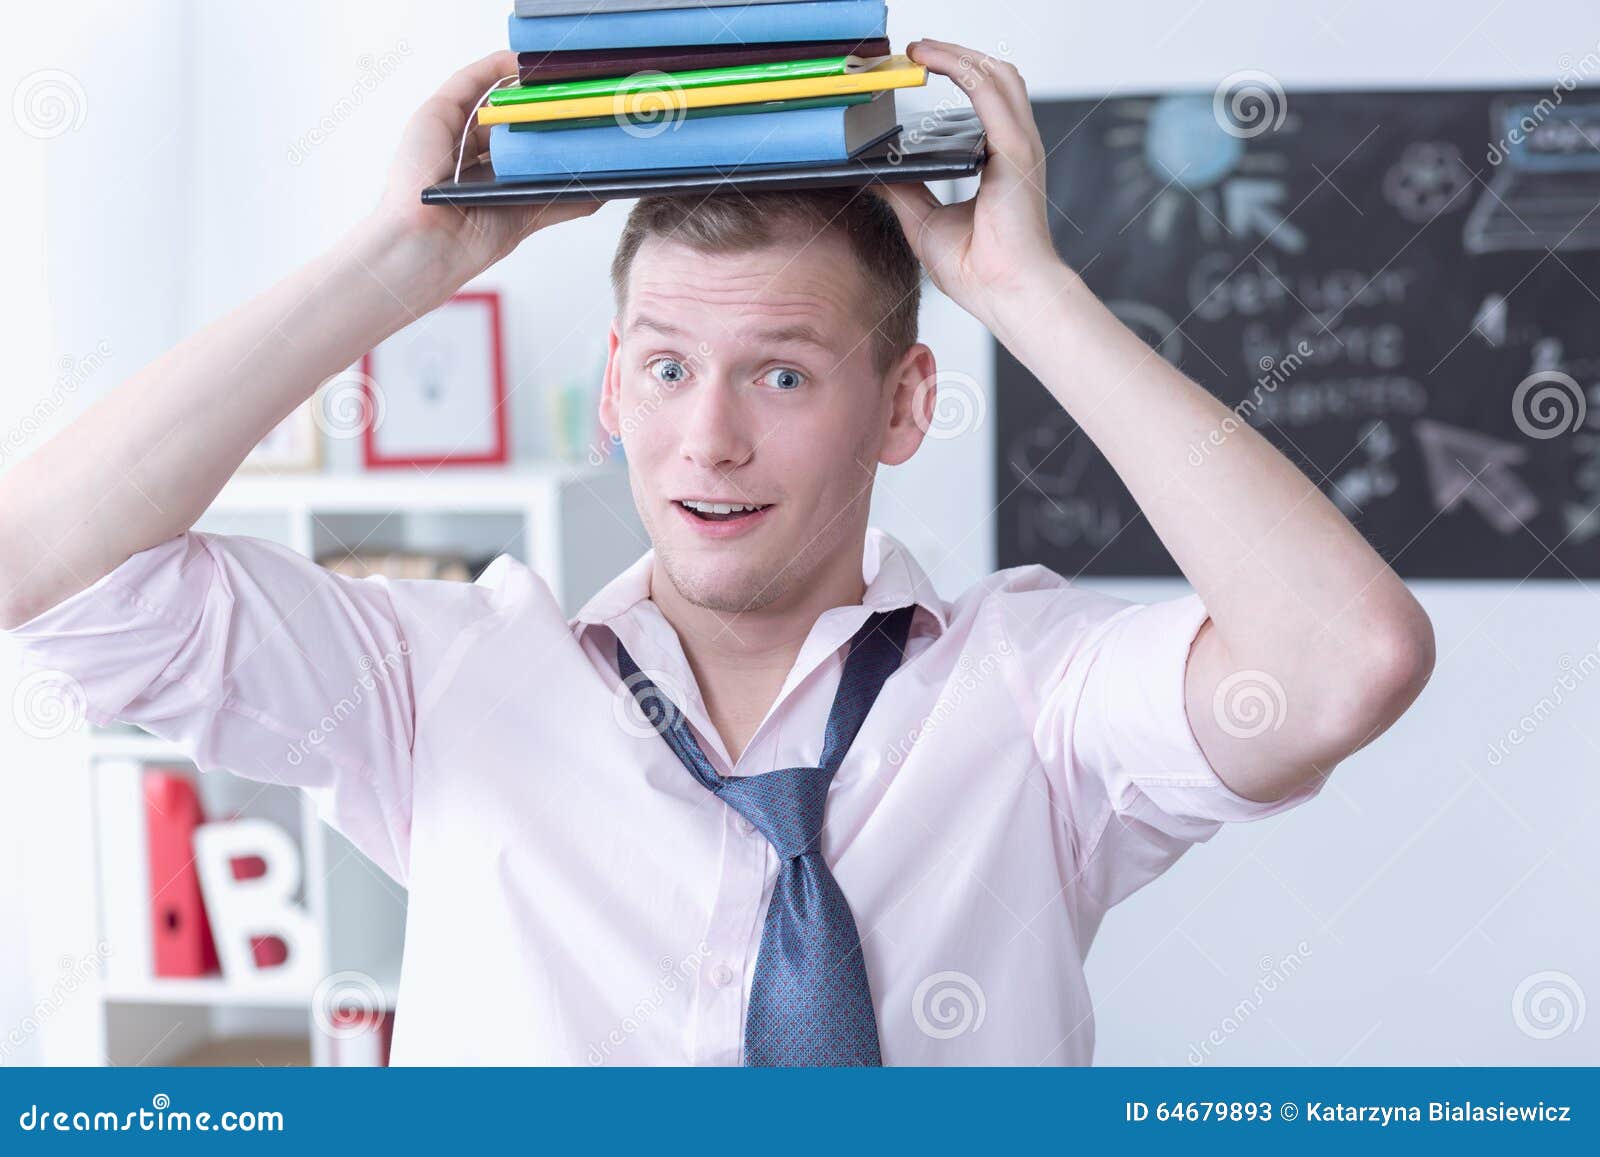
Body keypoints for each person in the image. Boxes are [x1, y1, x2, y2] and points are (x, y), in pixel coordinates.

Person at [0, 40, 1433, 1065]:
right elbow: (42, 564)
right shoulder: (438, 685)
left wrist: (1026, 288)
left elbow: (1342, 662)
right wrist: (401, 258)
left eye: (786, 375)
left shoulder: (1038, 701)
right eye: (671, 371)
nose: (712, 441)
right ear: (614, 390)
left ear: (906, 405)